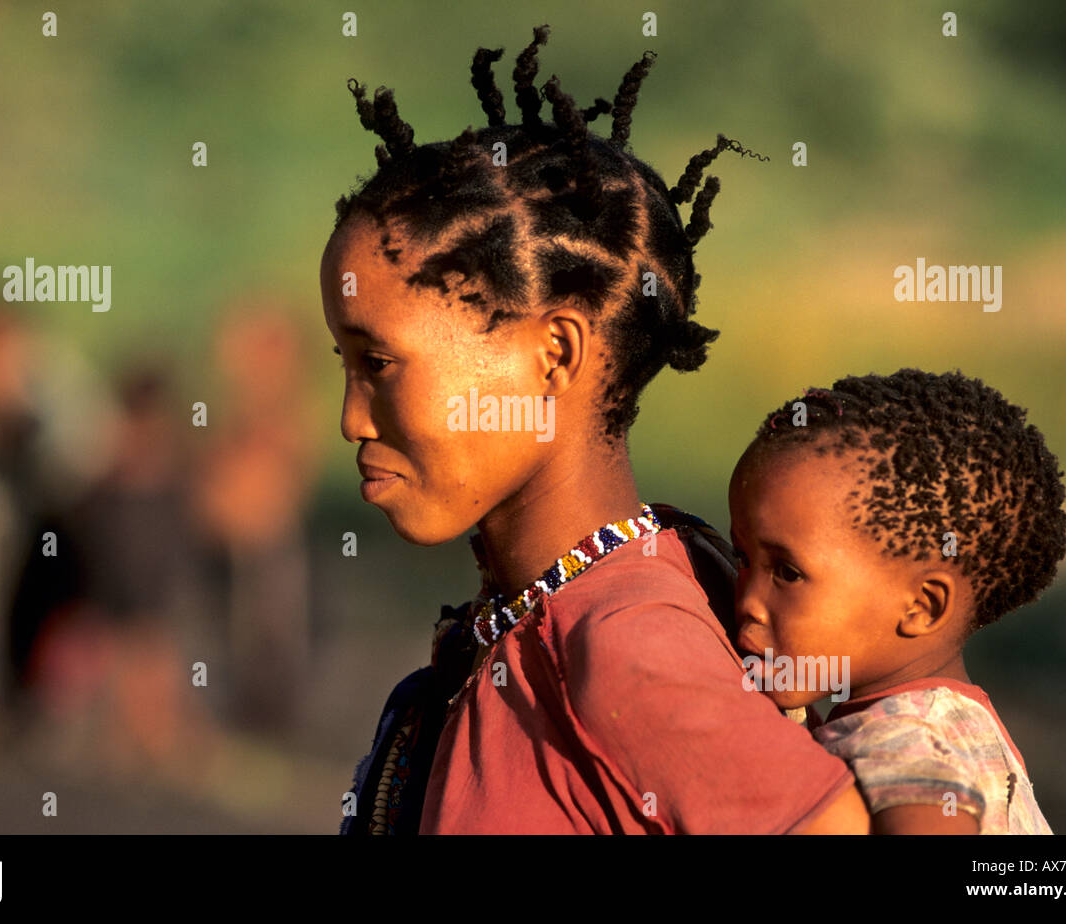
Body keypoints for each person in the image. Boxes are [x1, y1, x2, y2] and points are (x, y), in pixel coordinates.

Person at [322, 26, 868, 834]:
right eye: (343, 361)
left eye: (379, 364)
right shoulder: (536, 618)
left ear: (554, 355)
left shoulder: (626, 642)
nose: (351, 418)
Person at [727, 369, 1066, 833]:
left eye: (787, 572)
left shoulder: (900, 733)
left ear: (921, 607)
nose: (748, 600)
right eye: (740, 557)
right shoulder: (944, 722)